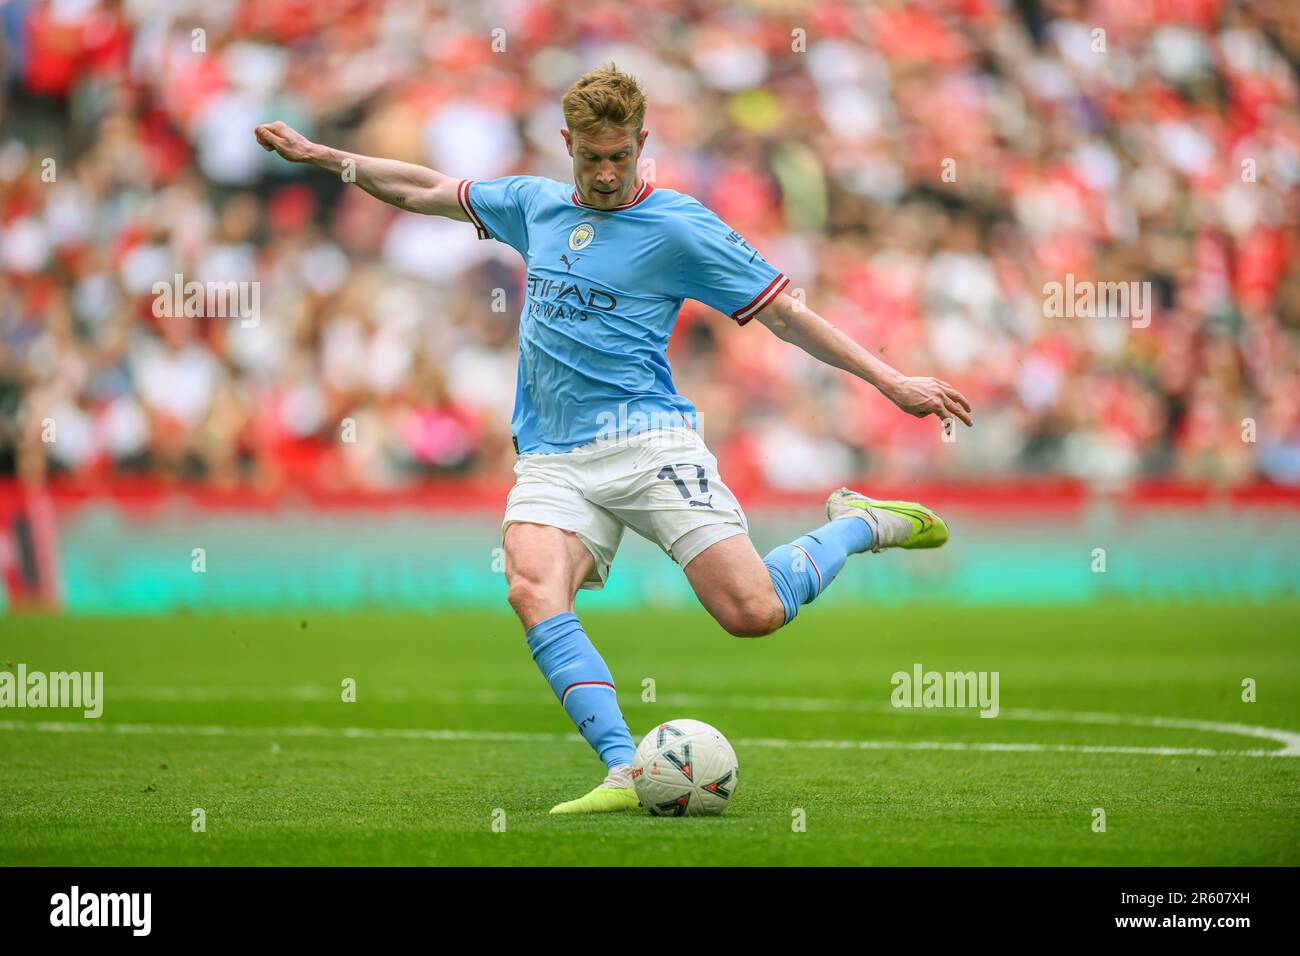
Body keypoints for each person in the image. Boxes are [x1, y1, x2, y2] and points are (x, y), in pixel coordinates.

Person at [255, 63, 972, 814]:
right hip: (552, 458)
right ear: (566, 144)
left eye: (619, 156)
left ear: (642, 144)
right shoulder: (534, 206)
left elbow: (785, 313)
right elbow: (426, 190)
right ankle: (625, 768)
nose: (604, 172)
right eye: (591, 156)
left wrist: (893, 381)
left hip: (649, 444)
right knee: (532, 586)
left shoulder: (679, 225)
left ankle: (857, 524)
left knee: (751, 613)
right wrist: (330, 157)